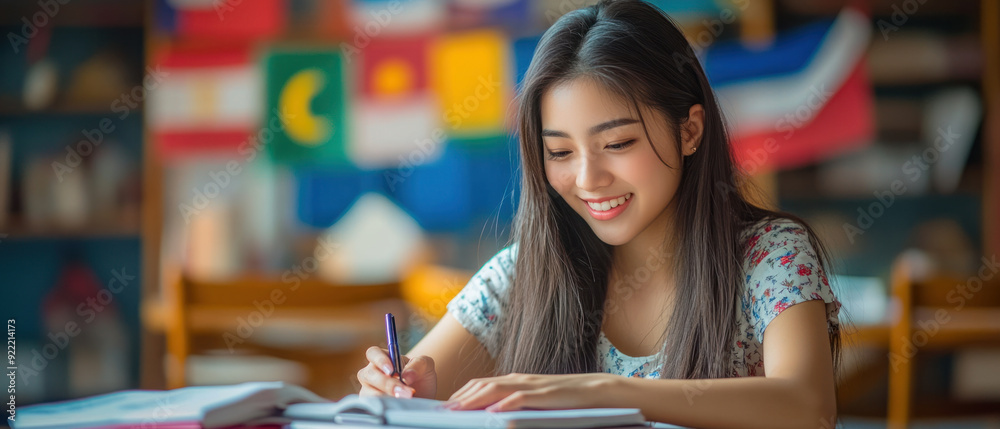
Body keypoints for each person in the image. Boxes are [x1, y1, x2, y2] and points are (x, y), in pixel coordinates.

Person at [356, 0, 844, 427]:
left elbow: (807, 407)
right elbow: (406, 393)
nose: (588, 178)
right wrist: (399, 396)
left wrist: (602, 393)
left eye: (617, 143)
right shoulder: (523, 273)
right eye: (561, 153)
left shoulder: (772, 255)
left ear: (690, 130)